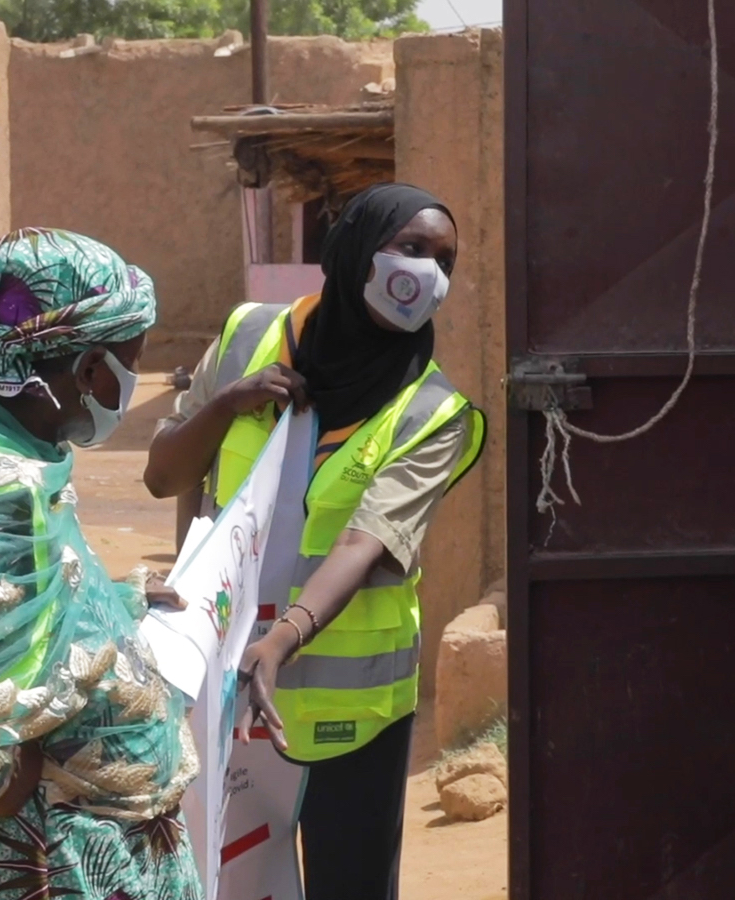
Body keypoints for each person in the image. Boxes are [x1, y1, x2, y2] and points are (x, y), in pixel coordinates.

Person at [143, 183, 486, 899]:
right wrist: (226, 403)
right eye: (414, 248)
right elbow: (164, 472)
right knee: (225, 883)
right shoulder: (247, 337)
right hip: (226, 695)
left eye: (445, 260)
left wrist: (284, 638)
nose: (430, 274)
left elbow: (367, 541)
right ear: (356, 249)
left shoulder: (434, 411)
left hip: (350, 714)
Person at [0, 228, 203, 899]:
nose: (129, 384)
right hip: (53, 865)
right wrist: (18, 770)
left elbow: (4, 605)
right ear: (87, 371)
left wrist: (109, 604)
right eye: (128, 362)